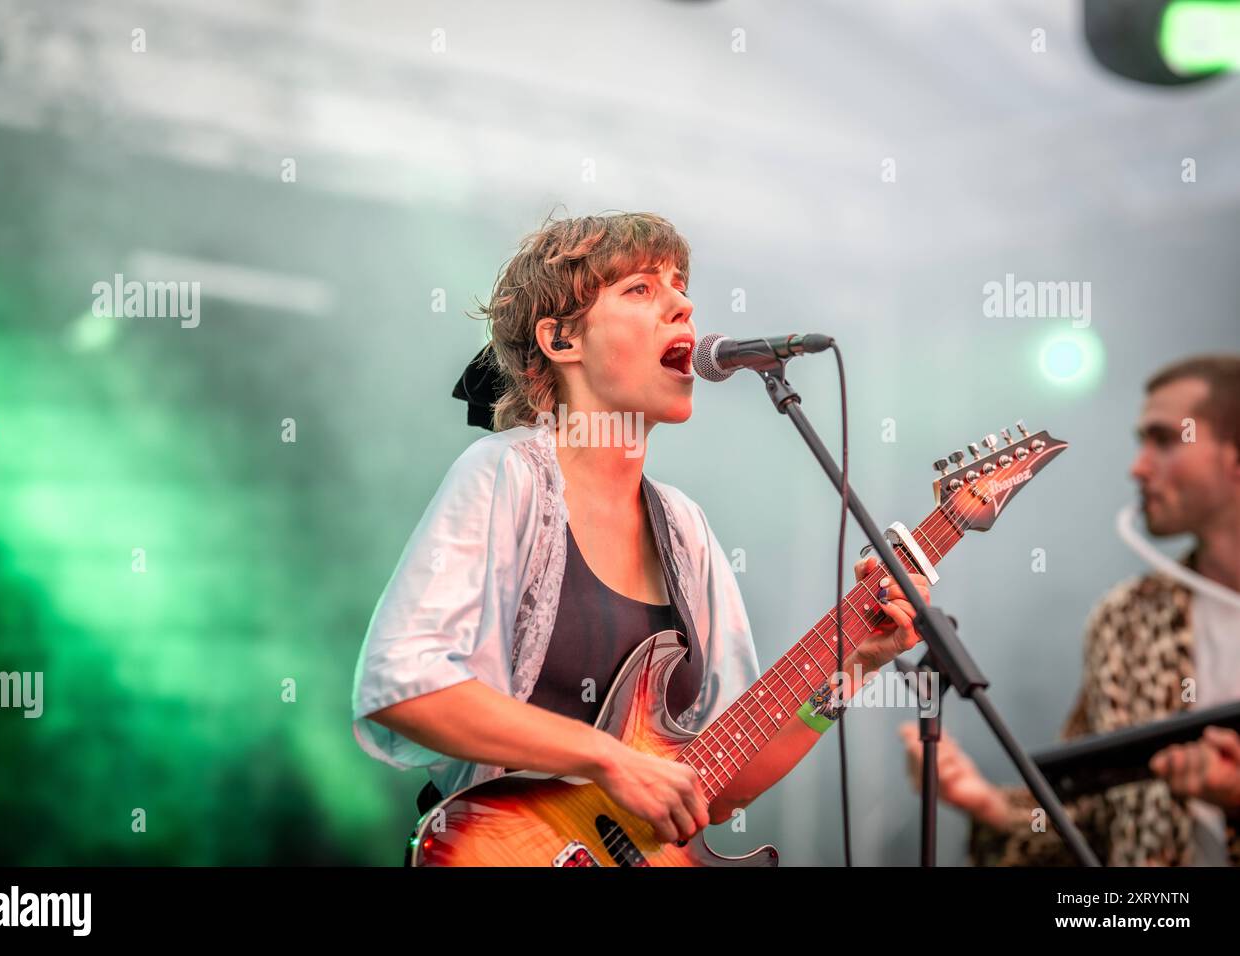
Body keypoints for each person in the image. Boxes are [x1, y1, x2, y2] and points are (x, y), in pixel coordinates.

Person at [351, 210, 930, 849]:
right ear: (560, 341)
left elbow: (721, 784)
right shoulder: (505, 473)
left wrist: (856, 662)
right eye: (641, 289)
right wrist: (608, 758)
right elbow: (403, 683)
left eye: (681, 286)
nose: (682, 304)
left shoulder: (685, 528)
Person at [900, 355, 1240, 866]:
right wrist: (987, 803)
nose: (1138, 466)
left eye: (1165, 440)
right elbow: (1088, 820)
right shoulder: (1128, 619)